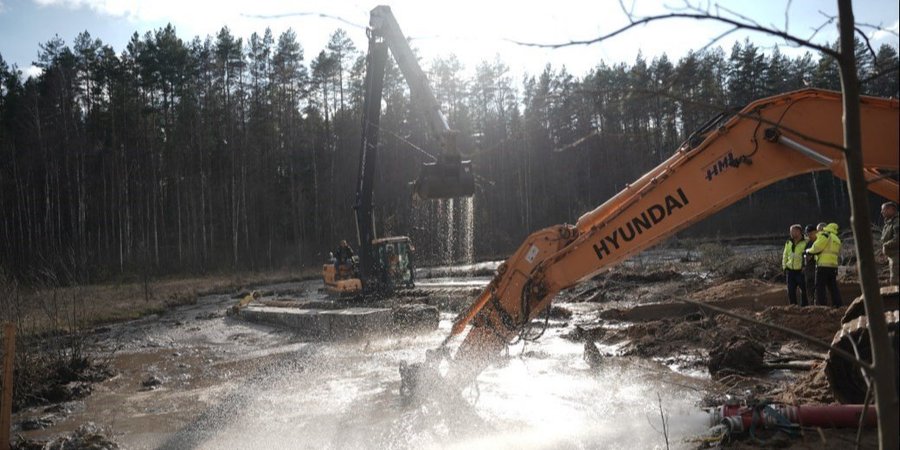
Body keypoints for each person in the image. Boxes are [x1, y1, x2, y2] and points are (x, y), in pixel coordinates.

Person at [806, 222, 843, 307]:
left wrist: (808, 251)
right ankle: (838, 305)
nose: (817, 233)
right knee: (833, 287)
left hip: (823, 265)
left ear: (822, 229)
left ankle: (822, 306)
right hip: (833, 266)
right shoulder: (836, 238)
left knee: (820, 287)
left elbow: (817, 247)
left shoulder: (825, 235)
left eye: (818, 230)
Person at [782, 224, 809, 306]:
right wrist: (784, 267)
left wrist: (805, 267)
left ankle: (804, 307)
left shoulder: (807, 241)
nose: (791, 233)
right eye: (790, 232)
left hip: (801, 271)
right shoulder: (788, 242)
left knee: (804, 290)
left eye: (792, 231)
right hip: (790, 271)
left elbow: (809, 256)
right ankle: (793, 307)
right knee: (790, 291)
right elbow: (785, 255)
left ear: (798, 231)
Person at [882, 201, 899, 286]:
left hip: (897, 256)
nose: (882, 212)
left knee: (896, 281)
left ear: (891, 210)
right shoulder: (889, 223)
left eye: (884, 210)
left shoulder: (897, 222)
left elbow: (897, 239)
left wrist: (886, 245)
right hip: (893, 256)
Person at [802, 224, 818, 303]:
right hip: (809, 269)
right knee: (809, 286)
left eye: (811, 233)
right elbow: (804, 254)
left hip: (816, 267)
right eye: (808, 234)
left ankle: (817, 303)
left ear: (816, 232)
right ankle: (811, 303)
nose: (809, 236)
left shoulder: (819, 241)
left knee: (817, 286)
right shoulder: (808, 243)